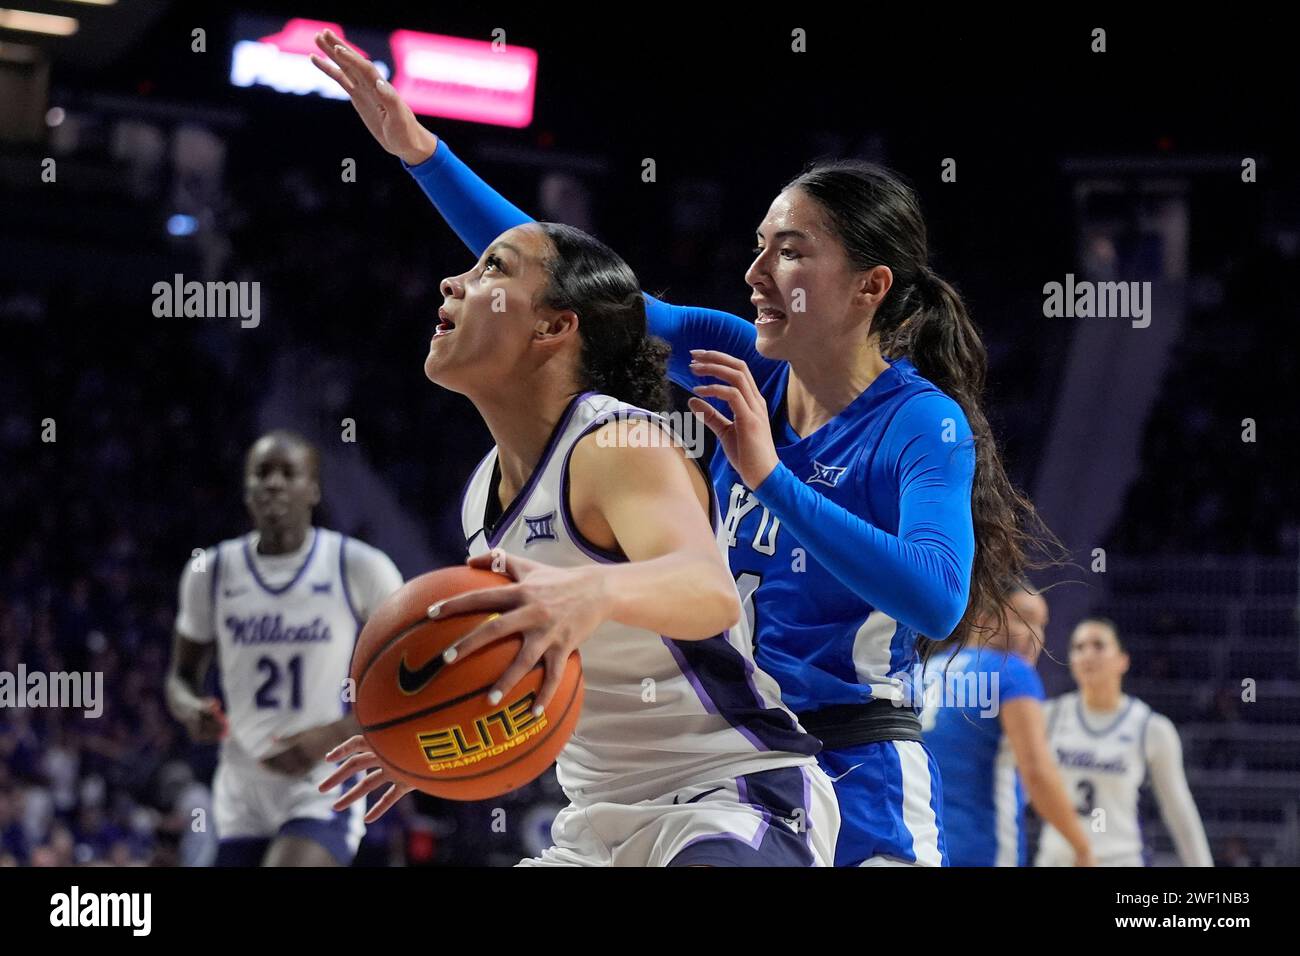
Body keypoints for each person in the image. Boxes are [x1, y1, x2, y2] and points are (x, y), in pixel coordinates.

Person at [311, 30, 1053, 866]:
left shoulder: (922, 424)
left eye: (791, 250)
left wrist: (770, 478)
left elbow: (936, 601)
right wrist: (424, 155)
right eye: (760, 245)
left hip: (857, 766)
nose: (756, 270)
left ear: (868, 287)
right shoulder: (737, 359)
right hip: (720, 742)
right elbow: (578, 284)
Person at [318, 215, 840, 866]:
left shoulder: (619, 443)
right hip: (593, 829)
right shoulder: (482, 496)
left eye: (493, 270)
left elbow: (708, 592)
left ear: (554, 325)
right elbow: (519, 666)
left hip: (728, 794)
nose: (451, 282)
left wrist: (590, 590)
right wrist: (426, 729)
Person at [166, 430, 403, 866]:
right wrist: (188, 709)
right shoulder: (210, 572)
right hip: (240, 785)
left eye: (287, 473)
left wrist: (331, 736)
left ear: (313, 489)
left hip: (323, 778)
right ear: (247, 489)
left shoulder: (359, 566)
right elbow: (181, 676)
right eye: (261, 473)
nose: (273, 483)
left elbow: (412, 677)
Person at [921, 581, 1093, 865]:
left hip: (922, 847)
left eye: (1041, 625)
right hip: (983, 850)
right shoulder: (1012, 672)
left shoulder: (929, 667)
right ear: (982, 619)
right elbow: (1037, 772)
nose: (1035, 635)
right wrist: (1082, 846)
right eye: (1022, 619)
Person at [1035, 617, 1213, 866]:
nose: (1087, 654)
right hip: (1056, 859)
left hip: (1120, 859)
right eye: (1078, 647)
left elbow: (1179, 811)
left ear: (1122, 660)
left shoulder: (1151, 728)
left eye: (1098, 645)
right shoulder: (1048, 716)